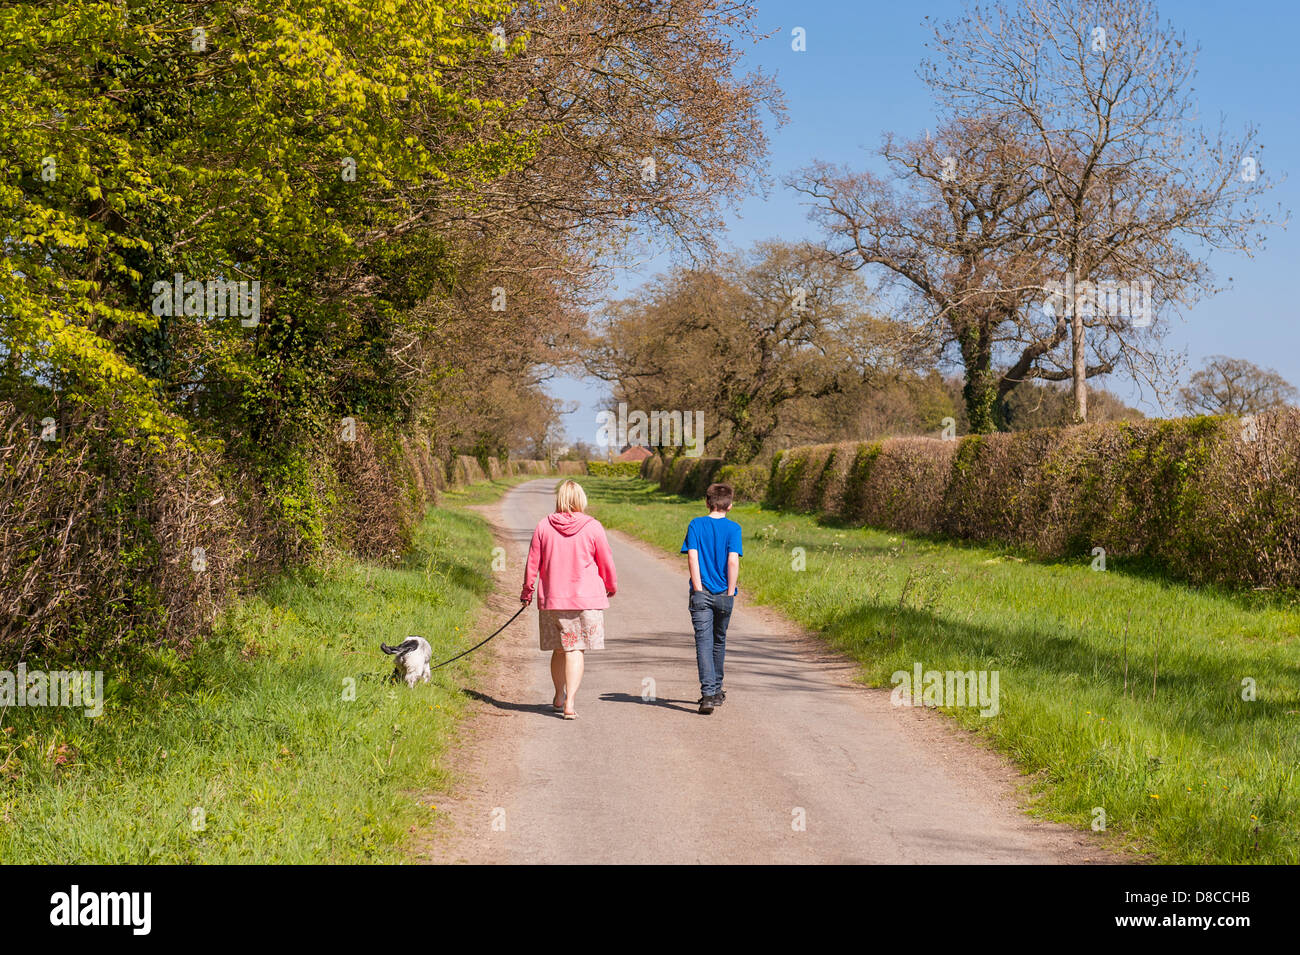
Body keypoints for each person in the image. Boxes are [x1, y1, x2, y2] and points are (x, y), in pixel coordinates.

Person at [520, 480, 617, 720]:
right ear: (581, 500)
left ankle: (558, 695)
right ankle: (570, 703)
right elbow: (606, 560)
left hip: (553, 599)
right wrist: (610, 585)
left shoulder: (544, 526)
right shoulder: (593, 527)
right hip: (584, 600)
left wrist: (527, 591)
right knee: (575, 649)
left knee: (559, 649)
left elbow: (533, 563)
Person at [681, 482, 742, 715]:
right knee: (719, 641)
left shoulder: (696, 524)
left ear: (707, 502)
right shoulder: (734, 529)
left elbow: (692, 558)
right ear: (730, 506)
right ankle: (715, 690)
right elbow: (733, 561)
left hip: (701, 593)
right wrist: (730, 591)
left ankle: (709, 694)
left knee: (703, 643)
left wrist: (697, 588)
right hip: (725, 593)